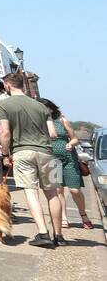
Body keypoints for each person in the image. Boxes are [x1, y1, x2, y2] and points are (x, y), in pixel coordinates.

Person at [0, 71, 62, 248]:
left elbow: (5, 132)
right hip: (47, 151)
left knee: (31, 191)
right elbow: (53, 134)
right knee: (52, 193)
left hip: (22, 152)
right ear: (23, 85)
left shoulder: (4, 105)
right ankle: (59, 235)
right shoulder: (41, 106)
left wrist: (5, 154)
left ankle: (43, 233)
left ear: (8, 85)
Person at [43, 99, 91, 233]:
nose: (45, 110)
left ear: (52, 109)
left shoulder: (62, 121)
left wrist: (71, 144)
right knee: (58, 190)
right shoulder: (41, 123)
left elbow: (74, 138)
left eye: (46, 108)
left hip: (69, 158)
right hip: (52, 158)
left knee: (75, 190)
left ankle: (83, 215)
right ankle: (64, 217)